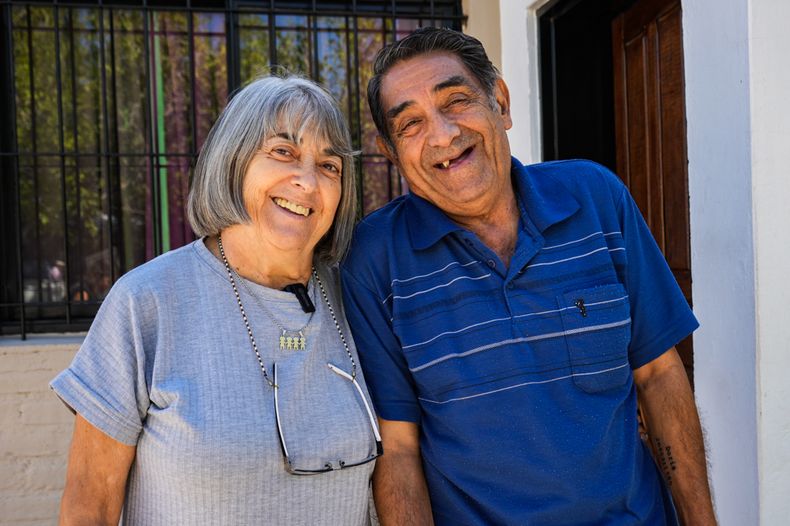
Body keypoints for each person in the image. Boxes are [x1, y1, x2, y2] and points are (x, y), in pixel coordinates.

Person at [341, 27, 716, 525]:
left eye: (456, 100)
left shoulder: (595, 197)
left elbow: (659, 373)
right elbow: (399, 448)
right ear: (391, 152)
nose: (443, 134)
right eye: (410, 124)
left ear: (500, 101)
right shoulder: (374, 260)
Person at [51, 75, 381, 525]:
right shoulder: (147, 302)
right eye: (283, 152)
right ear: (234, 161)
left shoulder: (357, 300)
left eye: (329, 166)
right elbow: (91, 503)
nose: (307, 181)